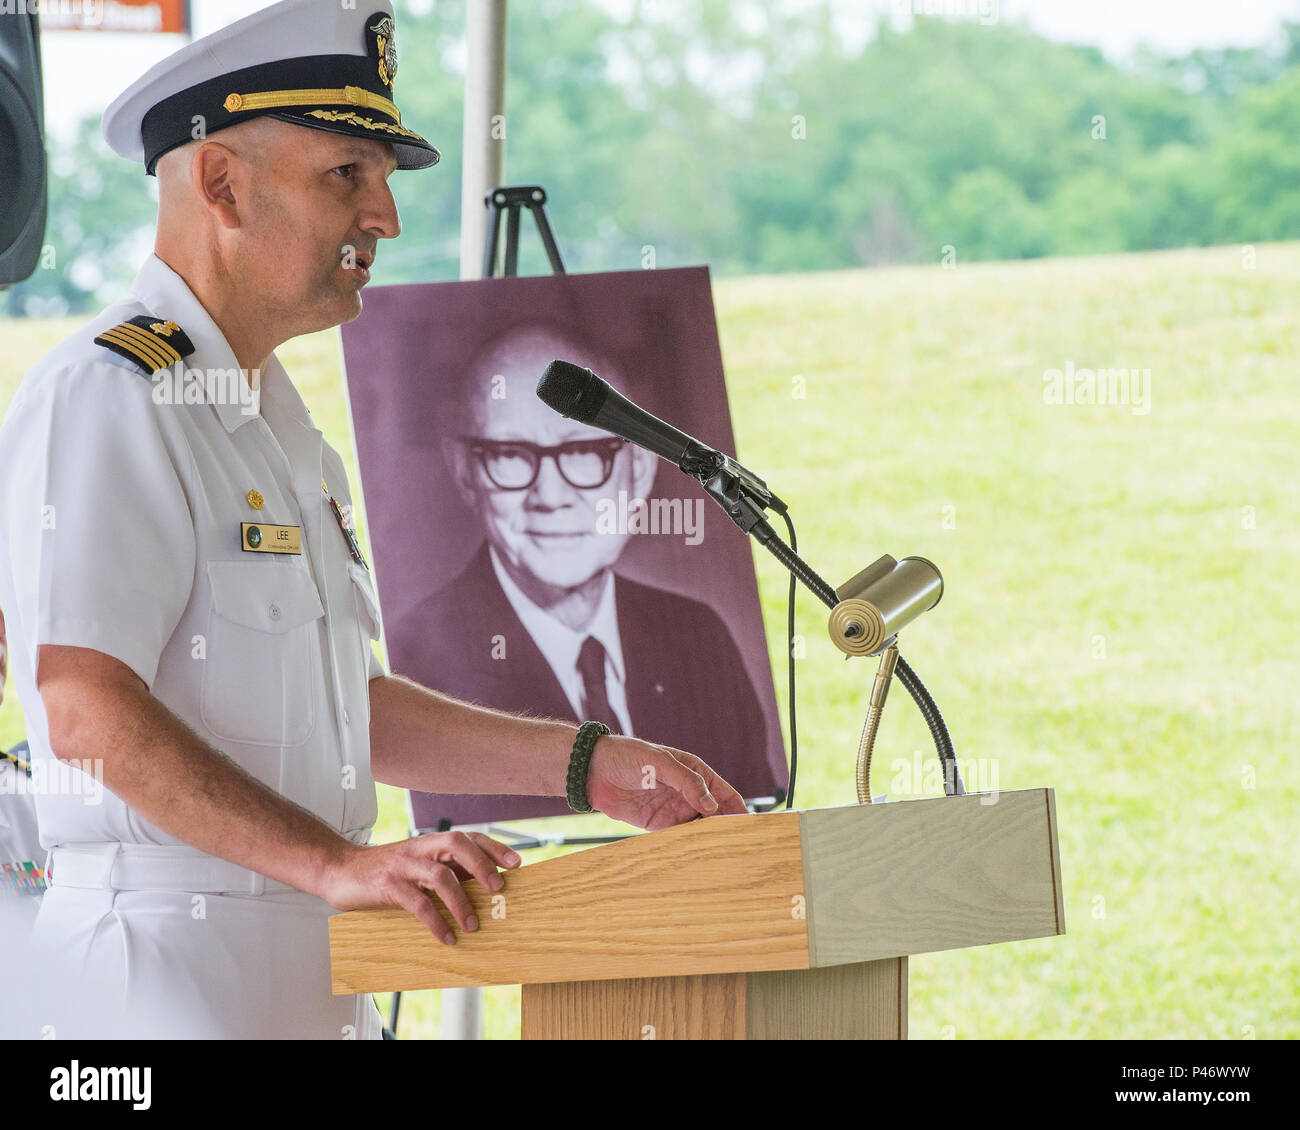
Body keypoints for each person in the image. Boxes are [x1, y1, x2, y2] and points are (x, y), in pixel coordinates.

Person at [0, 0, 746, 1040]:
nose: (384, 218)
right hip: (154, 979)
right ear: (221, 182)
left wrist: (590, 761)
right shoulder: (109, 394)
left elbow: (348, 705)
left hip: (314, 968)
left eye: (383, 183)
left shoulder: (279, 425)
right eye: (346, 175)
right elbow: (82, 710)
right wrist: (338, 862)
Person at [393, 323, 771, 824]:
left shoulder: (699, 637)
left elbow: (751, 828)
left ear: (638, 471)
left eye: (583, 453)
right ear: (465, 471)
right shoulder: (414, 663)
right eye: (510, 455)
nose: (551, 497)